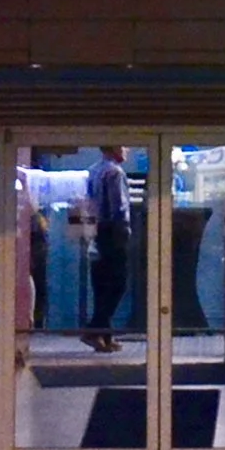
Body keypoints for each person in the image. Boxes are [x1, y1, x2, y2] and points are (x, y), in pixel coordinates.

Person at [85, 150, 133, 352]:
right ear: (115, 148)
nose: (127, 150)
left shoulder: (93, 170)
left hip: (97, 229)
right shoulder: (115, 172)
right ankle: (94, 330)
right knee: (117, 283)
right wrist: (125, 230)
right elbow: (119, 206)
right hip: (113, 232)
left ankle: (104, 336)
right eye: (124, 146)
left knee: (101, 285)